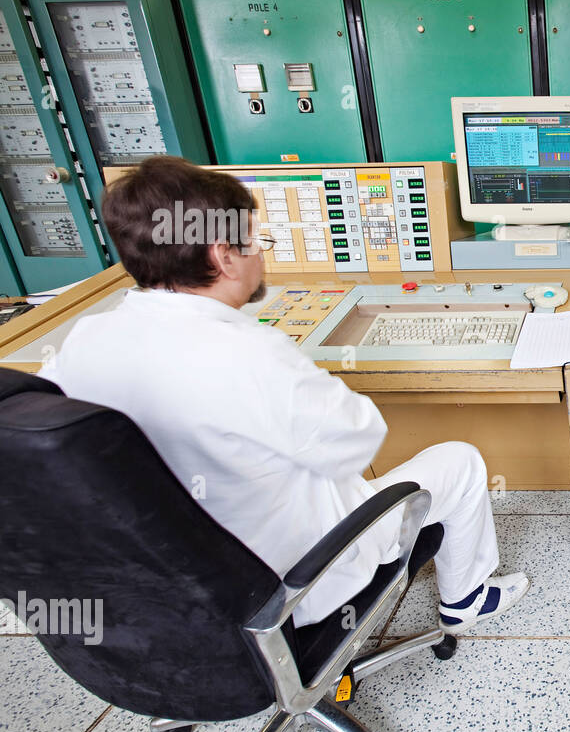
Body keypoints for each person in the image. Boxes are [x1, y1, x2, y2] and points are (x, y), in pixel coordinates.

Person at [39, 155, 527, 630]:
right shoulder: (248, 351)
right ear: (224, 257)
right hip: (290, 583)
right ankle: (466, 599)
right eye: (255, 241)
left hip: (166, 593)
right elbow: (357, 440)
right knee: (461, 461)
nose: (262, 253)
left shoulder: (84, 342)